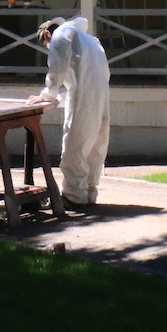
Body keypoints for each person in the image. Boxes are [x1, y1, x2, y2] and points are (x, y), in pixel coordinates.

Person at [27, 15, 111, 207]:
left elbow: (57, 69)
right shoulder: (90, 40)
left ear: (47, 34)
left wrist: (48, 95)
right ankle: (89, 192)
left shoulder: (60, 36)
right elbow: (82, 77)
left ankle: (73, 196)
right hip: (101, 94)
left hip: (84, 96)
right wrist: (59, 99)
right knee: (94, 147)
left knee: (75, 145)